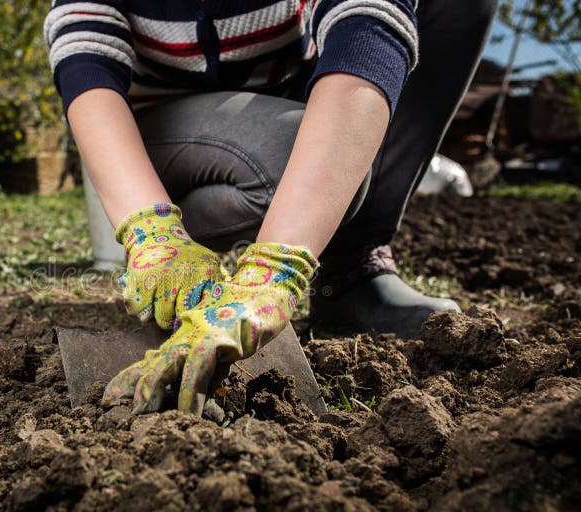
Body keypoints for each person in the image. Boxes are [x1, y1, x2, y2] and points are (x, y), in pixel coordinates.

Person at [44, 0, 497, 415]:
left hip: (288, 99)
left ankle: (352, 266)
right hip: (153, 135)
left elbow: (367, 22)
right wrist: (150, 229)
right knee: (284, 156)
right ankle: (173, 253)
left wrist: (275, 270)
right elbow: (87, 56)